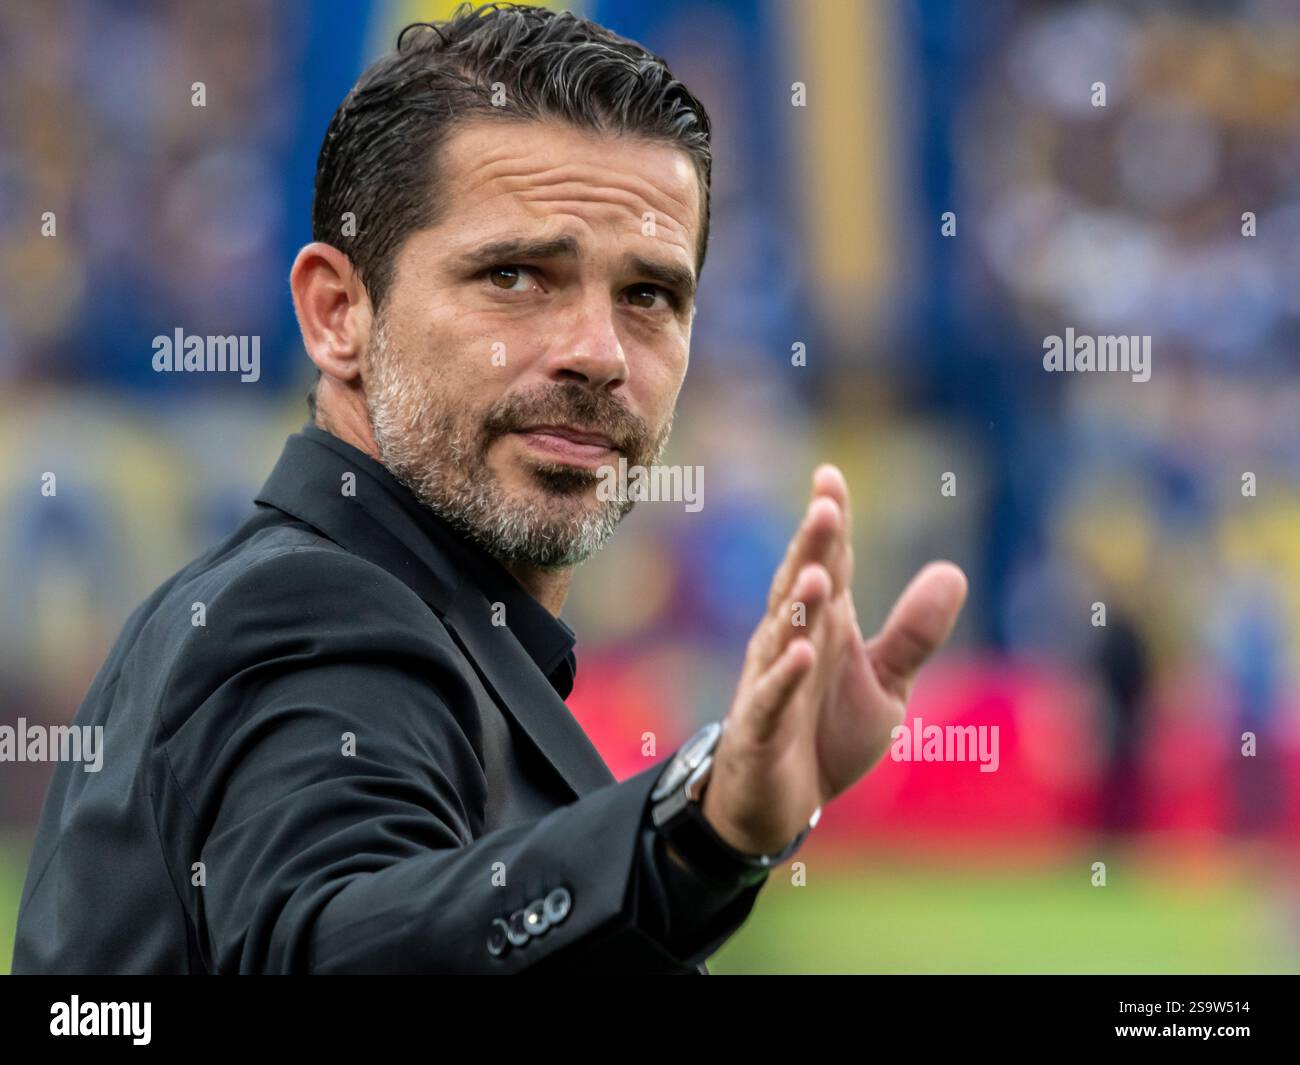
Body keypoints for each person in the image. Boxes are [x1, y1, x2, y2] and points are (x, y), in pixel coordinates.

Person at [12, 2, 966, 974]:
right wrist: (699, 824)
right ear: (338, 315)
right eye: (514, 275)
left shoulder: (419, 620)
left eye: (647, 296)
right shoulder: (315, 612)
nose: (597, 354)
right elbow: (326, 944)